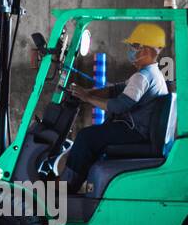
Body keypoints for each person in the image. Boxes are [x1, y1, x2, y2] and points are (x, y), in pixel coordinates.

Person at [59, 23, 169, 190]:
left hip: (136, 132)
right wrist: (88, 91)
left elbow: (119, 106)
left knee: (86, 137)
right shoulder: (152, 74)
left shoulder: (143, 77)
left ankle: (65, 186)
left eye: (134, 46)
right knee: (96, 135)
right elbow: (115, 90)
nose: (131, 50)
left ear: (146, 50)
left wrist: (87, 97)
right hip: (141, 130)